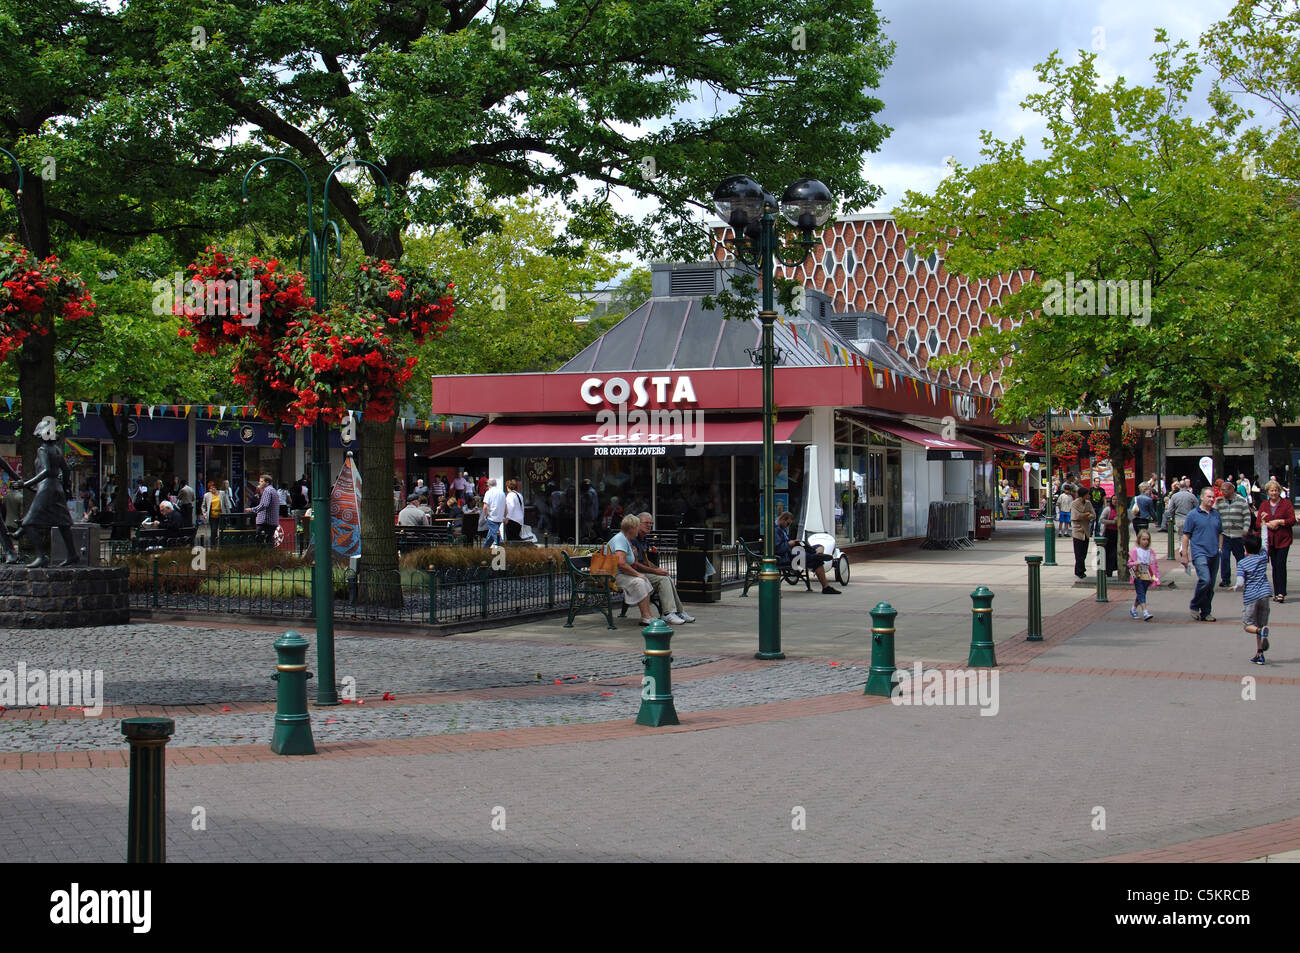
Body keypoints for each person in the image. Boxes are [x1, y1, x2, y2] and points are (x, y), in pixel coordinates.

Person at [20, 416, 77, 567]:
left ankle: (41, 556)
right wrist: (65, 487)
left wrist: (25, 484)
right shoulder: (57, 449)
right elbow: (66, 470)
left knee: (28, 523)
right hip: (56, 488)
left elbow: (45, 471)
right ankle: (72, 554)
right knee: (63, 523)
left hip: (46, 487)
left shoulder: (43, 449)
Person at [633, 512, 695, 624]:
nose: (649, 526)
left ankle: (679, 612)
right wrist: (655, 571)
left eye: (651, 523)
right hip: (634, 573)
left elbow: (646, 561)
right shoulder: (633, 539)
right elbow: (635, 564)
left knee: (666, 577)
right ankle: (668, 613)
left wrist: (659, 569)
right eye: (646, 523)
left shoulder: (643, 539)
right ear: (637, 523)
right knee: (663, 579)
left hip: (641, 571)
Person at [1180, 486, 1223, 622]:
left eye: (1213, 497)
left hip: (1214, 553)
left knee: (1210, 586)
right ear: (1202, 497)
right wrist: (1185, 555)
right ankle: (1195, 605)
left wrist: (1220, 548)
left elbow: (1220, 532)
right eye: (1209, 496)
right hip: (1199, 552)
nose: (1211, 499)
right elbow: (1186, 536)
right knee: (1205, 580)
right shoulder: (1193, 515)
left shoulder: (1216, 514)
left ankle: (1206, 612)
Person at [774, 510, 840, 594]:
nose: (788, 526)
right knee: (814, 560)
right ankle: (826, 586)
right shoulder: (775, 530)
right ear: (783, 519)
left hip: (792, 551)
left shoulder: (781, 529)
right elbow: (778, 549)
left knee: (819, 546)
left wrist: (794, 542)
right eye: (788, 524)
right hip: (786, 557)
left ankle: (818, 553)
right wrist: (789, 544)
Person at [1234, 534, 1272, 665]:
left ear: (1245, 548)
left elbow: (1240, 582)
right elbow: (1265, 541)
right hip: (1265, 594)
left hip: (1251, 597)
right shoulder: (1263, 557)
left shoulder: (1242, 563)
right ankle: (1260, 654)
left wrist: (1234, 588)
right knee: (1261, 623)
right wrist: (1263, 525)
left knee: (1248, 625)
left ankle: (1260, 632)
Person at [1257, 480, 1294, 603]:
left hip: (1283, 539)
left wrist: (1279, 521)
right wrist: (1267, 524)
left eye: (1276, 490)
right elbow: (1258, 523)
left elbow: (1292, 520)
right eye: (1271, 490)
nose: (1274, 493)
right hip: (1270, 540)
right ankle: (1276, 590)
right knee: (1274, 566)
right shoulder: (1264, 505)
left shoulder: (1286, 504)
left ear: (1279, 491)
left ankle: (1281, 592)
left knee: (1280, 564)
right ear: (1268, 492)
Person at [1215, 485, 1252, 590]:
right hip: (1225, 534)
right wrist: (1215, 503)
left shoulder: (1241, 501)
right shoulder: (1220, 502)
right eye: (1221, 490)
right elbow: (1213, 514)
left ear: (1231, 490)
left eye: (1224, 490)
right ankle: (1225, 579)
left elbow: (1247, 516)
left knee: (1240, 558)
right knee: (1224, 557)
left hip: (1238, 535)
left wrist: (1245, 528)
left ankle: (1243, 578)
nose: (1222, 492)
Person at [1127, 528, 1160, 621]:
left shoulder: (1150, 552)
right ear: (1139, 539)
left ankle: (1133, 609)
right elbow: (1129, 564)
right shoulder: (1135, 550)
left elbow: (1154, 565)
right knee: (1141, 592)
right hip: (1137, 574)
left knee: (1141, 593)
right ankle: (1145, 612)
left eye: (1147, 539)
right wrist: (1134, 563)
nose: (1145, 541)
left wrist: (1155, 577)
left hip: (1147, 575)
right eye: (1143, 539)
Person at [1070, 489, 1096, 580]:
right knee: (1078, 553)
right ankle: (1079, 571)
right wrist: (1085, 514)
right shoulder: (1074, 504)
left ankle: (1081, 569)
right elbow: (1075, 516)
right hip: (1077, 531)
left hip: (1086, 531)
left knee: (1084, 553)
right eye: (1087, 494)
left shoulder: (1088, 503)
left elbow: (1093, 515)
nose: (1088, 496)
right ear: (1083, 495)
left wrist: (1086, 516)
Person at [253, 473, 278, 546]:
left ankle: (263, 555)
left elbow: (264, 505)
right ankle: (270, 555)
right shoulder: (273, 490)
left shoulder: (267, 491)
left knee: (259, 540)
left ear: (267, 482)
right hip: (272, 521)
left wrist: (252, 509)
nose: (259, 483)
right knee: (269, 539)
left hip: (265, 521)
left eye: (261, 481)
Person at [482, 478, 506, 547]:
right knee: (491, 535)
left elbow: (485, 507)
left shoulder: (488, 493)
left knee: (496, 537)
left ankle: (504, 550)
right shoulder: (502, 493)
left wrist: (485, 516)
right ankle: (484, 550)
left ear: (488, 485)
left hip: (491, 517)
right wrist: (504, 516)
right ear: (496, 484)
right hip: (500, 517)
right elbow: (505, 505)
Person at [1099, 495, 1118, 577]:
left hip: (1118, 533)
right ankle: (1108, 570)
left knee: (1116, 553)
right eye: (1113, 499)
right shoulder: (1107, 509)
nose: (1115, 501)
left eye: (1117, 499)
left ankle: (1115, 568)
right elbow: (1101, 520)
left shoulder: (1121, 509)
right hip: (1109, 533)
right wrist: (1113, 522)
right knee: (1109, 553)